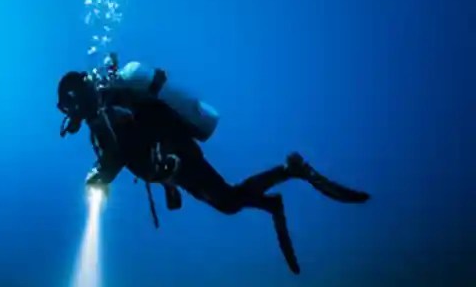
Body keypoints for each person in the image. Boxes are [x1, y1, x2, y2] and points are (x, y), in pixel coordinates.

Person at [56, 57, 370, 275]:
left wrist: (163, 162)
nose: (72, 115)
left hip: (178, 159)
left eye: (71, 107)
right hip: (169, 167)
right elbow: (117, 154)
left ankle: (290, 173)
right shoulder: (103, 116)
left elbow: (136, 139)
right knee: (227, 201)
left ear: (79, 99)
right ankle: (274, 193)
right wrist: (101, 178)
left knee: (229, 203)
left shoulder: (115, 108)